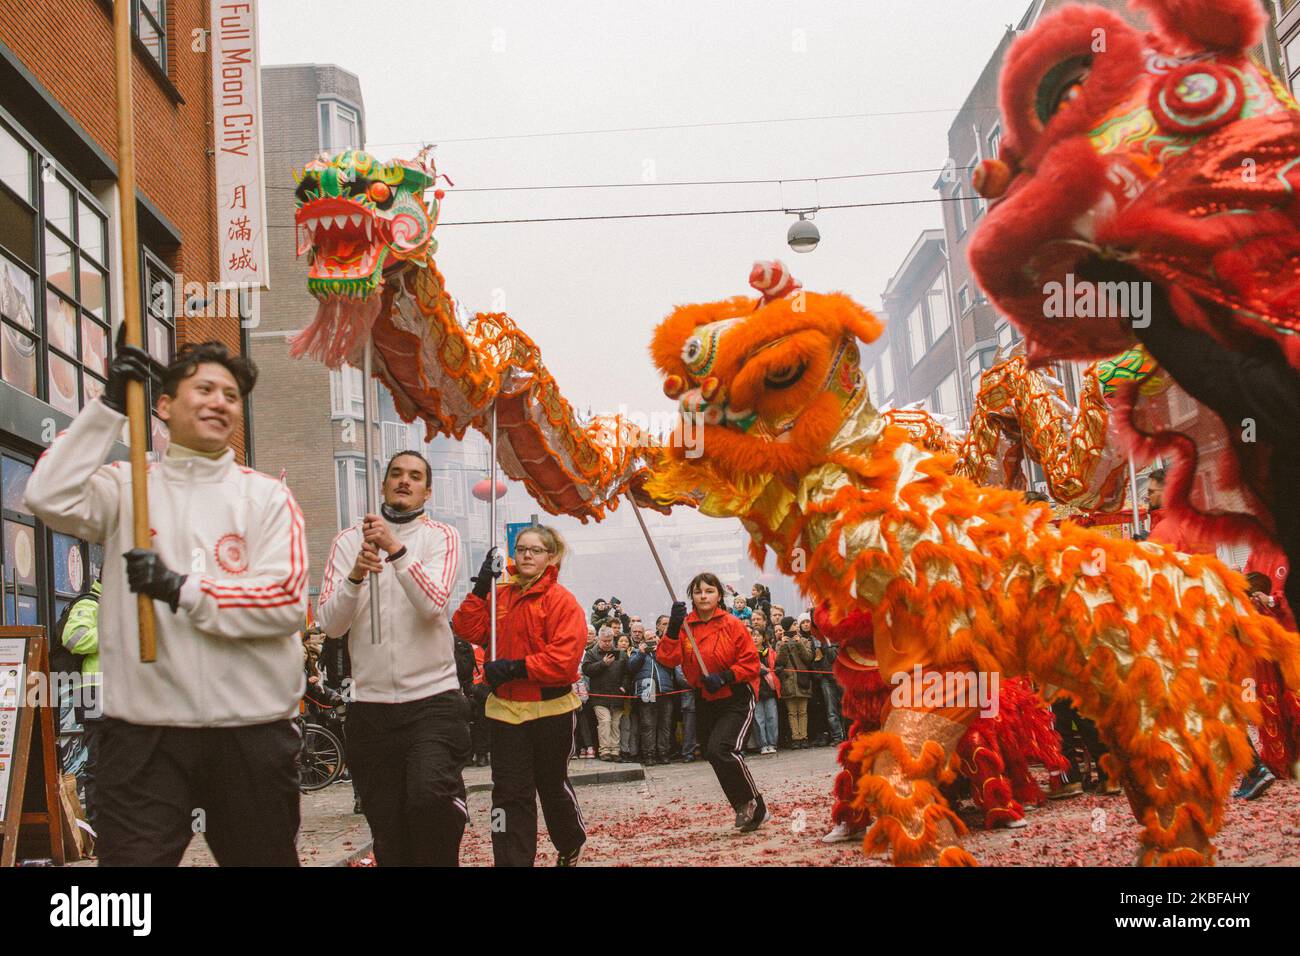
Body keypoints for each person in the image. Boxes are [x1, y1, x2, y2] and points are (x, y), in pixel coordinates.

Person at [25, 341, 307, 866]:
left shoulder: (267, 498)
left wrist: (183, 590)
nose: (219, 401)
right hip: (141, 732)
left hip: (249, 731)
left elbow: (287, 602)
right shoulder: (126, 488)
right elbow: (47, 495)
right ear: (164, 405)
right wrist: (106, 407)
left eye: (231, 394)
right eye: (204, 388)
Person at [318, 449, 470, 866]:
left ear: (428, 490)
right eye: (397, 474)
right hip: (371, 707)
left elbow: (433, 604)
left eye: (415, 476)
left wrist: (396, 550)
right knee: (387, 827)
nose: (405, 480)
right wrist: (354, 576)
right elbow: (330, 624)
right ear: (383, 484)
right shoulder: (348, 541)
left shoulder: (442, 537)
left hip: (432, 702)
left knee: (428, 800)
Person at [452, 526, 588, 866]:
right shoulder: (500, 595)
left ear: (551, 556)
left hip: (551, 709)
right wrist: (480, 588)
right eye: (521, 549)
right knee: (508, 795)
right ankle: (510, 860)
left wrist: (516, 668)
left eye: (535, 550)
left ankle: (570, 840)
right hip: (505, 712)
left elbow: (564, 660)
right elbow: (464, 627)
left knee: (551, 786)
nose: (527, 555)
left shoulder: (562, 601)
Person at [658, 573, 768, 831]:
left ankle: (754, 804)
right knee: (711, 751)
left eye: (709, 591)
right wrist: (673, 628)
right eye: (698, 592)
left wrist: (727, 676)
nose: (703, 596)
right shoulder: (685, 627)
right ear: (691, 597)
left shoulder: (731, 623)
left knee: (723, 748)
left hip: (736, 693)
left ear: (719, 595)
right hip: (705, 696)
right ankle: (742, 804)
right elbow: (667, 658)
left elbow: (751, 663)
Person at [627, 625, 676, 764]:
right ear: (643, 642)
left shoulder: (664, 651)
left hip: (664, 691)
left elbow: (672, 664)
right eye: (648, 639)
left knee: (665, 724)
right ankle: (649, 755)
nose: (652, 641)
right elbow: (631, 667)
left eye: (654, 638)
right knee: (648, 725)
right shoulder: (637, 652)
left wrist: (660, 651)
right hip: (646, 692)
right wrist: (642, 653)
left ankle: (664, 753)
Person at [583, 626, 628, 761]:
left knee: (615, 723)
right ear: (599, 639)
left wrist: (624, 686)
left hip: (617, 694)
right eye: (604, 641)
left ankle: (615, 751)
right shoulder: (591, 653)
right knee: (605, 721)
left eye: (609, 640)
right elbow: (586, 669)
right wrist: (602, 664)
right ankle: (604, 751)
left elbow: (627, 673)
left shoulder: (621, 654)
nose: (607, 643)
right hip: (599, 696)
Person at [803, 614, 845, 745]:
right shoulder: (815, 640)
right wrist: (819, 674)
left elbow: (835, 656)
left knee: (845, 707)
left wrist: (827, 646)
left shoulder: (836, 637)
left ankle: (848, 735)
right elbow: (813, 660)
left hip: (840, 676)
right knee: (831, 710)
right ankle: (837, 736)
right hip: (826, 678)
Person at [776, 623, 814, 749]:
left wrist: (799, 643)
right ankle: (795, 738)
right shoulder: (779, 644)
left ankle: (804, 736)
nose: (793, 628)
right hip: (788, 681)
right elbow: (779, 662)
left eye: (794, 625)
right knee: (792, 712)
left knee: (803, 711)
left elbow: (808, 658)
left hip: (802, 680)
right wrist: (783, 645)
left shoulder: (804, 640)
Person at [751, 628, 780, 755]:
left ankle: (772, 743)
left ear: (763, 637)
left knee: (772, 717)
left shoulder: (771, 652)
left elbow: (776, 665)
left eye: (758, 635)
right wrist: (757, 670)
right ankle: (762, 744)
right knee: (758, 719)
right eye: (753, 635)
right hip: (756, 689)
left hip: (769, 688)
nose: (755, 638)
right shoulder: (748, 653)